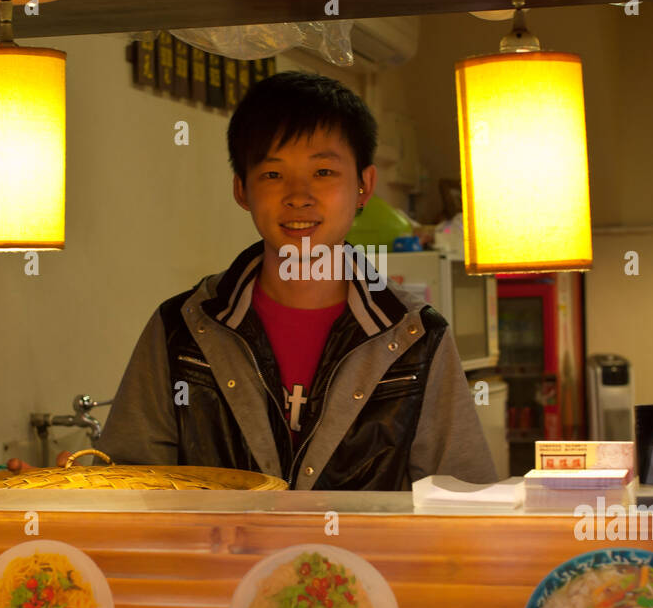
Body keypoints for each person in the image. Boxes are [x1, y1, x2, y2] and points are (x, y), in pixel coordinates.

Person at [93, 70, 498, 490]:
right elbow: (128, 489)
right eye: (273, 174)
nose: (298, 195)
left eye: (323, 172)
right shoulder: (182, 328)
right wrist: (67, 496)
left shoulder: (416, 336)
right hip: (222, 558)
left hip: (365, 560)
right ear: (241, 190)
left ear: (364, 185)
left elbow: (462, 504)